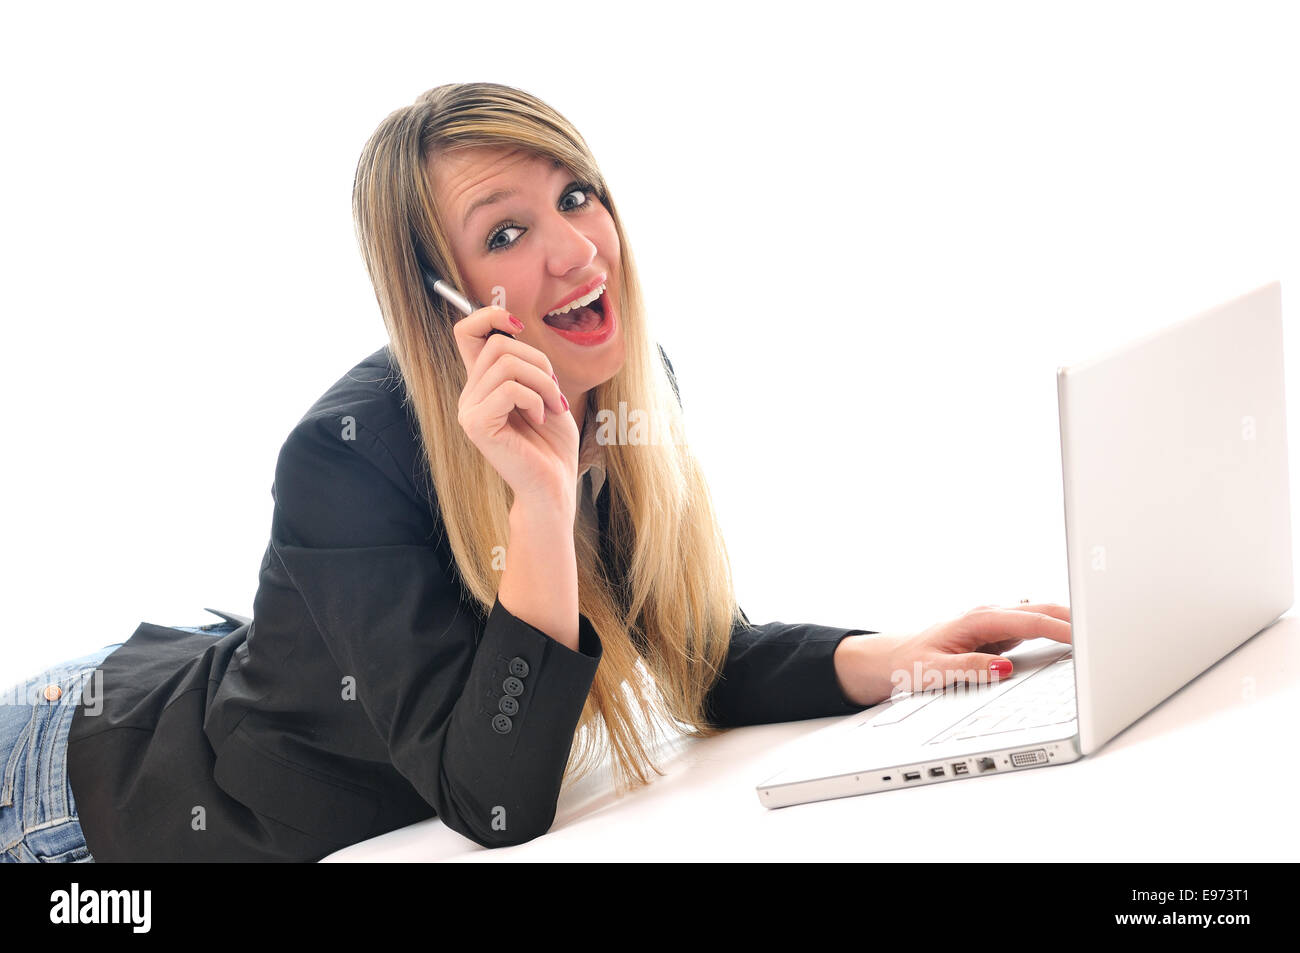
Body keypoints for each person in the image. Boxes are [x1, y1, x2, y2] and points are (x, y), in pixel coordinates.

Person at [1, 82, 1071, 863]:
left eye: (578, 195)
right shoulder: (343, 458)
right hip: (71, 789)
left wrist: (893, 656)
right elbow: (495, 804)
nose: (574, 249)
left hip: (188, 671)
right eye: (507, 230)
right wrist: (542, 499)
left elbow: (698, 653)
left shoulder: (622, 380)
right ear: (439, 295)